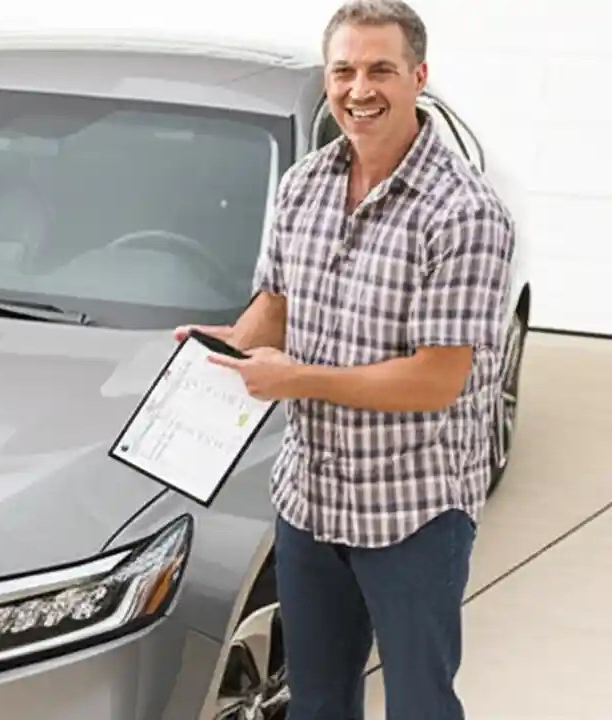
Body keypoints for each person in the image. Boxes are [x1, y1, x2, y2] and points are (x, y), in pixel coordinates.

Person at [175, 1, 516, 718]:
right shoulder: (303, 185)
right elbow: (273, 307)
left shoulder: (465, 213)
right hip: (310, 504)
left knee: (420, 702)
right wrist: (225, 349)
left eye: (381, 70)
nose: (361, 89)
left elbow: (436, 379)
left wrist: (294, 378)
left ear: (419, 76)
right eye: (345, 71)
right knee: (317, 701)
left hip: (412, 512)